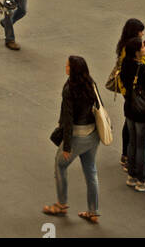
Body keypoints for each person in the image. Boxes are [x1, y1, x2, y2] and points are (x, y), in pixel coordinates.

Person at [43, 56, 101, 223]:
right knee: (91, 171)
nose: (66, 67)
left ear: (73, 69)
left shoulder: (69, 89)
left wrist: (67, 146)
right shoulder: (91, 83)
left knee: (60, 165)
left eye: (68, 65)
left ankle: (61, 204)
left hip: (77, 136)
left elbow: (68, 120)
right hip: (93, 135)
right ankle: (93, 211)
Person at [120, 35, 145, 192]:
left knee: (132, 143)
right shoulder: (142, 69)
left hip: (130, 109)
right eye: (142, 48)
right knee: (142, 147)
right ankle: (142, 180)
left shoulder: (125, 64)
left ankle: (131, 176)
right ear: (137, 52)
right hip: (143, 113)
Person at [113, 18, 145, 170]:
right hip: (132, 90)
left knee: (128, 122)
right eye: (141, 31)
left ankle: (125, 155)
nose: (142, 33)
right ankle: (128, 157)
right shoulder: (130, 49)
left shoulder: (123, 45)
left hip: (126, 89)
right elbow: (140, 66)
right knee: (131, 125)